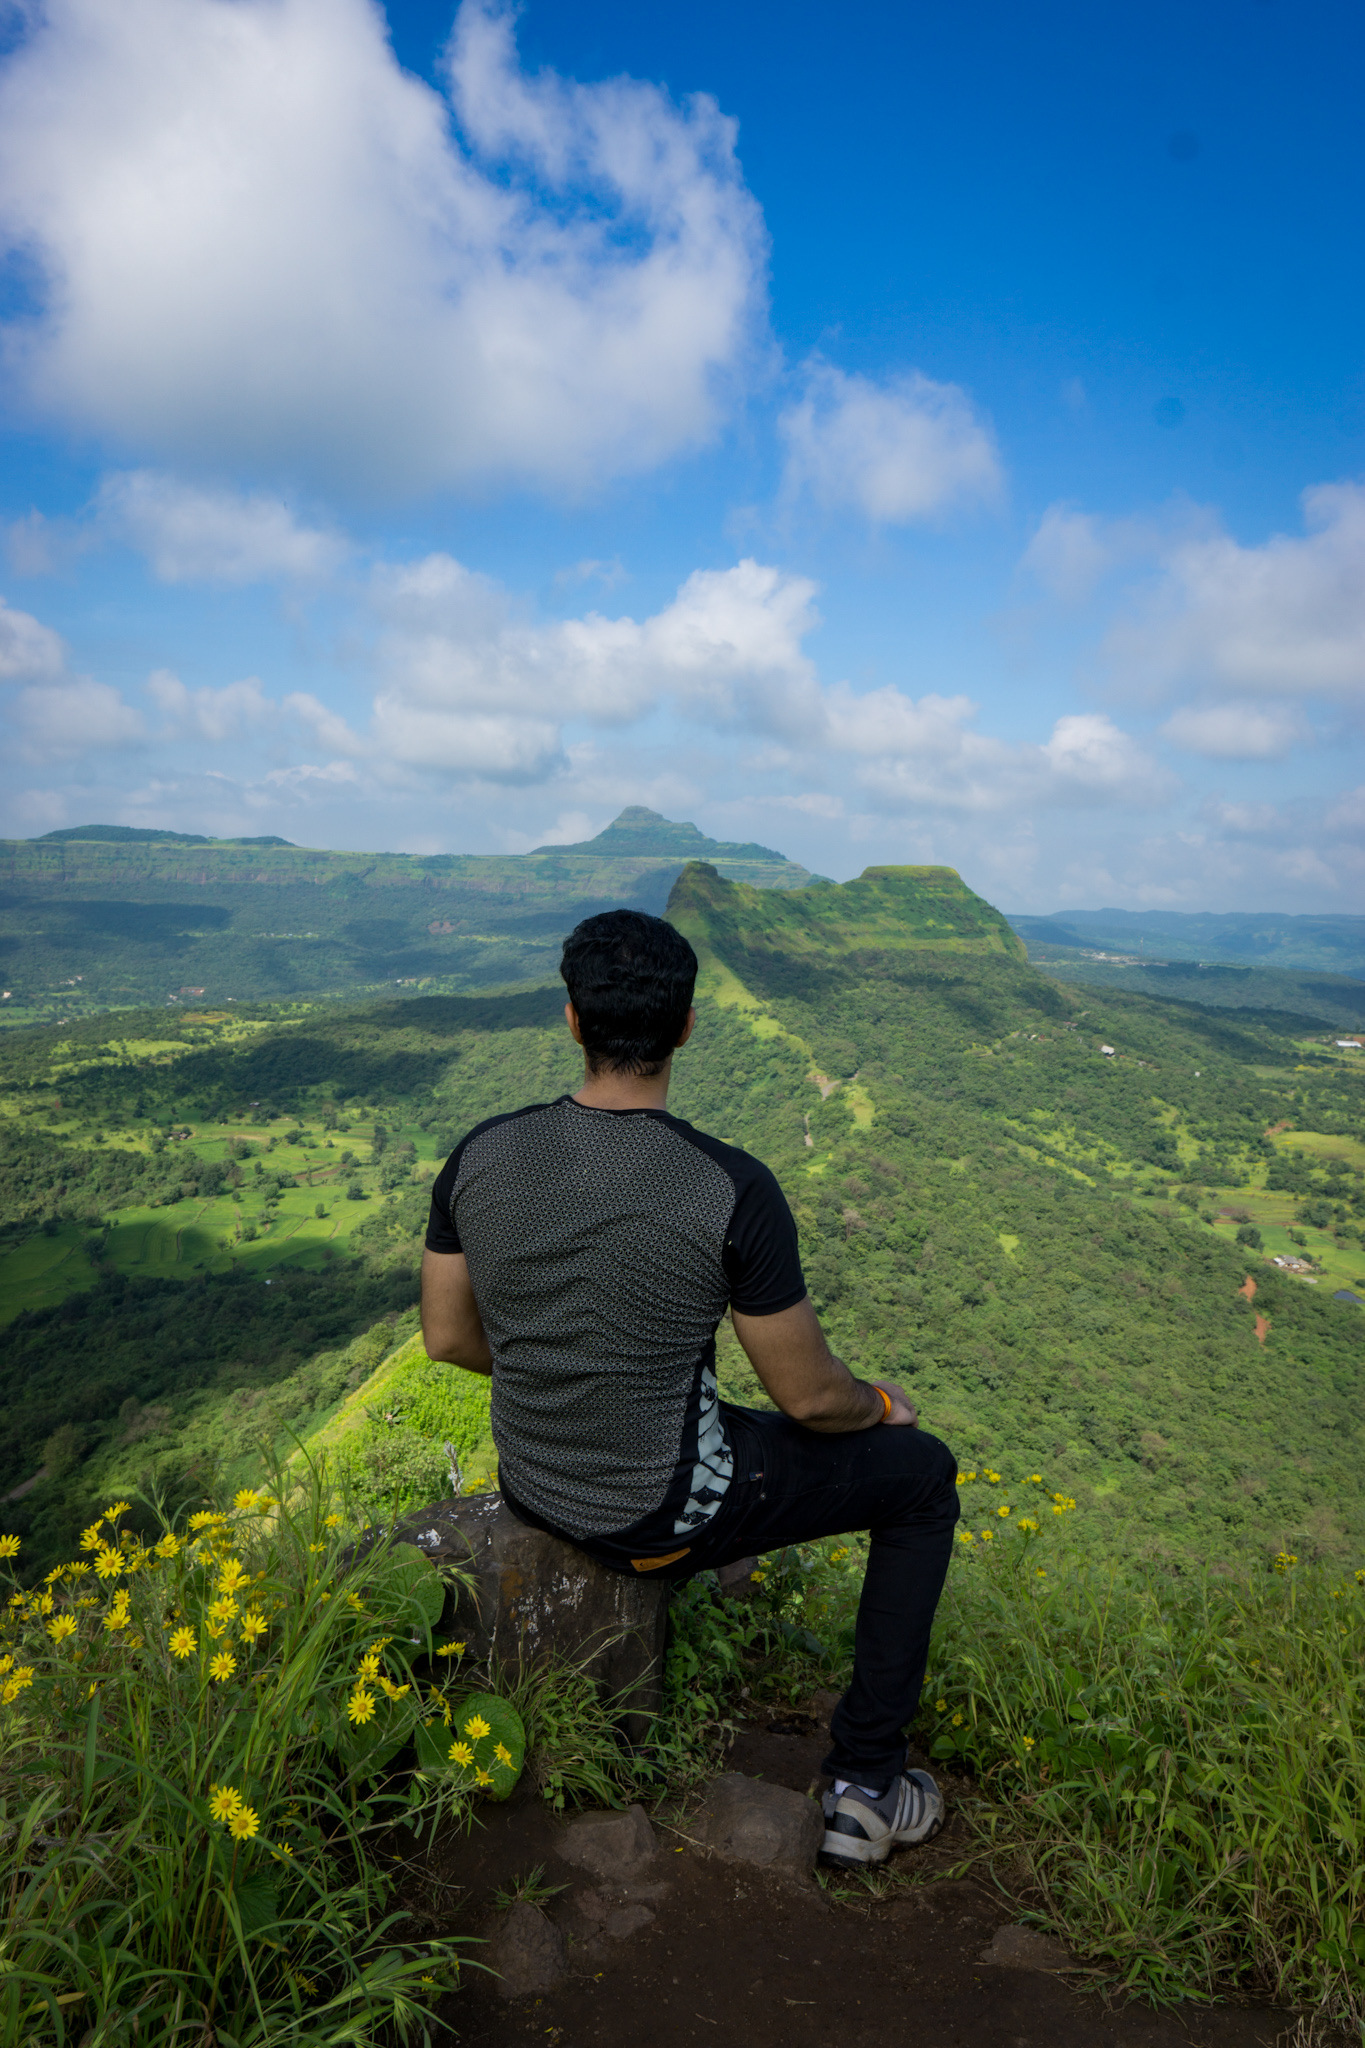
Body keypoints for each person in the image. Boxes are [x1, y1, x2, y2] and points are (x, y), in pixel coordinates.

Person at [421, 908, 959, 1868]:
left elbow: (448, 1338)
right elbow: (808, 1399)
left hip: (536, 1481)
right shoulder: (727, 1186)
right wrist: (881, 1405)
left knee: (716, 1419)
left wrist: (569, 1361)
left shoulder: (480, 1155)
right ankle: (868, 1788)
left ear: (573, 1020)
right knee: (920, 1477)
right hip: (661, 1506)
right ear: (686, 1028)